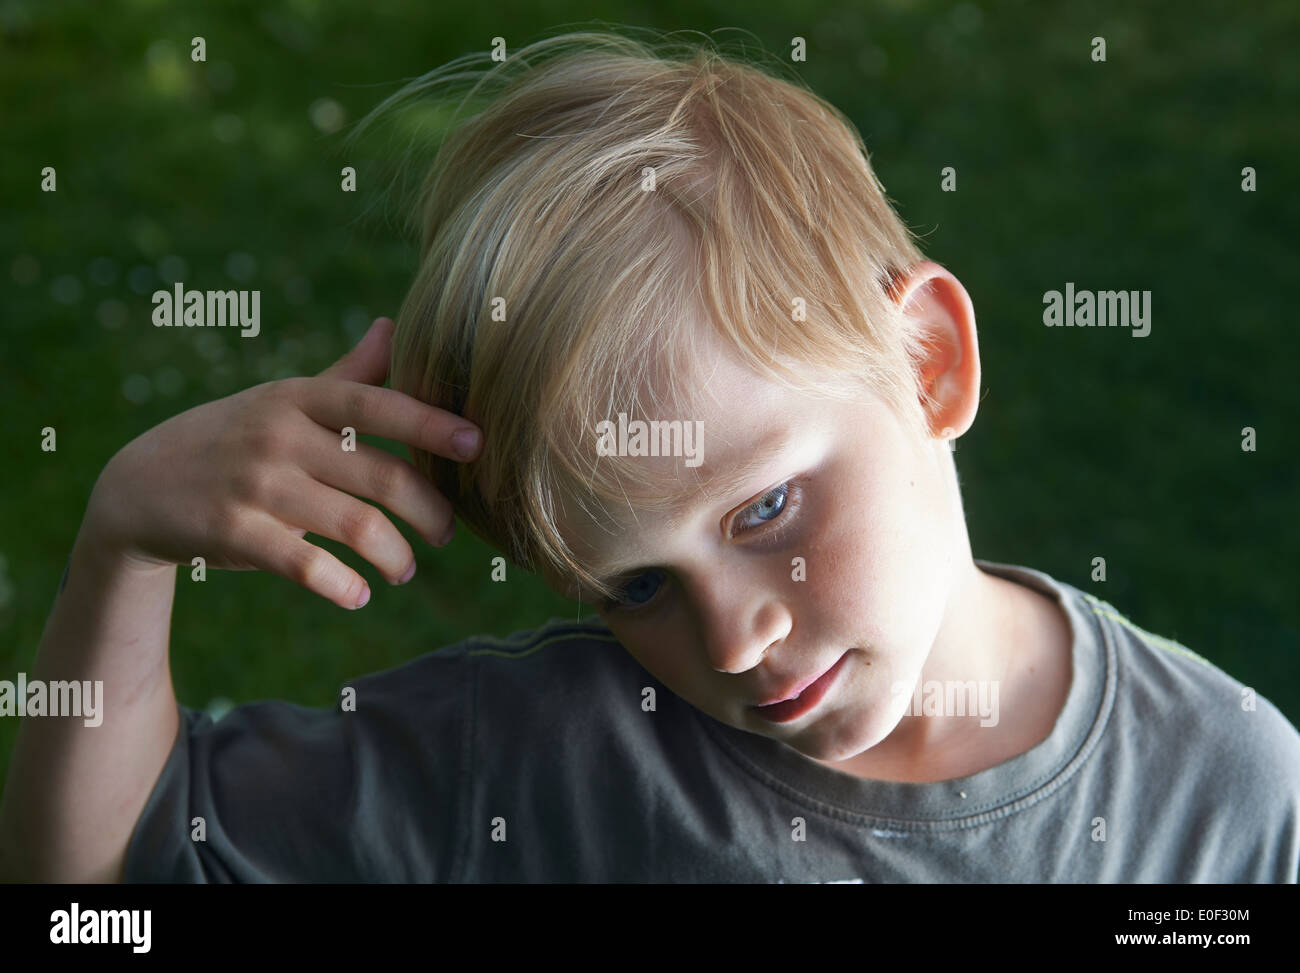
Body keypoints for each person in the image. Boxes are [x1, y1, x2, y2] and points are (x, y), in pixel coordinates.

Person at [3, 30, 1297, 882]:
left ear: (927, 365)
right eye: (635, 586)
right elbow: (100, 888)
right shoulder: (554, 757)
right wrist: (124, 542)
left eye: (766, 506)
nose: (730, 640)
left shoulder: (1218, 794)